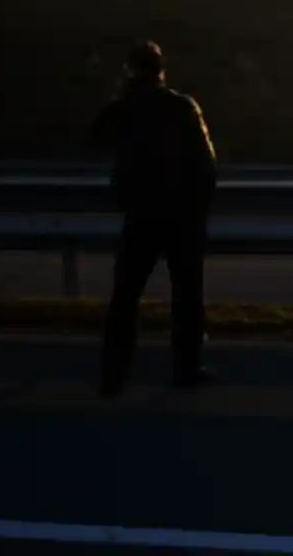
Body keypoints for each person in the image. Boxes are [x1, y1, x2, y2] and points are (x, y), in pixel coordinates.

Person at [90, 41, 218, 396]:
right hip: (181, 216)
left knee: (126, 296)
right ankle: (186, 368)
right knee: (187, 295)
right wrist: (198, 209)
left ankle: (113, 374)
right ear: (162, 70)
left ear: (130, 70)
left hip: (141, 214)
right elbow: (206, 165)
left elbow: (94, 139)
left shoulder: (122, 108)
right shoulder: (182, 107)